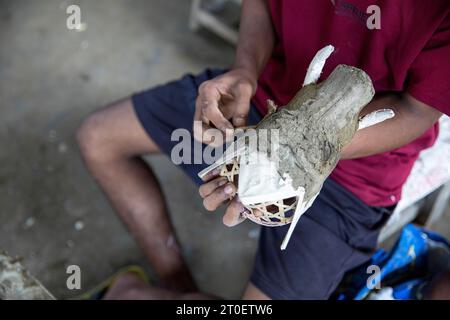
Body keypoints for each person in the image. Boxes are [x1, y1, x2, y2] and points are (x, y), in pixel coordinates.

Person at [76, 0, 449, 299]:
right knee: (98, 138)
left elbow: (418, 109)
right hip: (261, 102)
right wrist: (244, 70)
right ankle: (176, 281)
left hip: (358, 175)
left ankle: (134, 292)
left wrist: (316, 146)